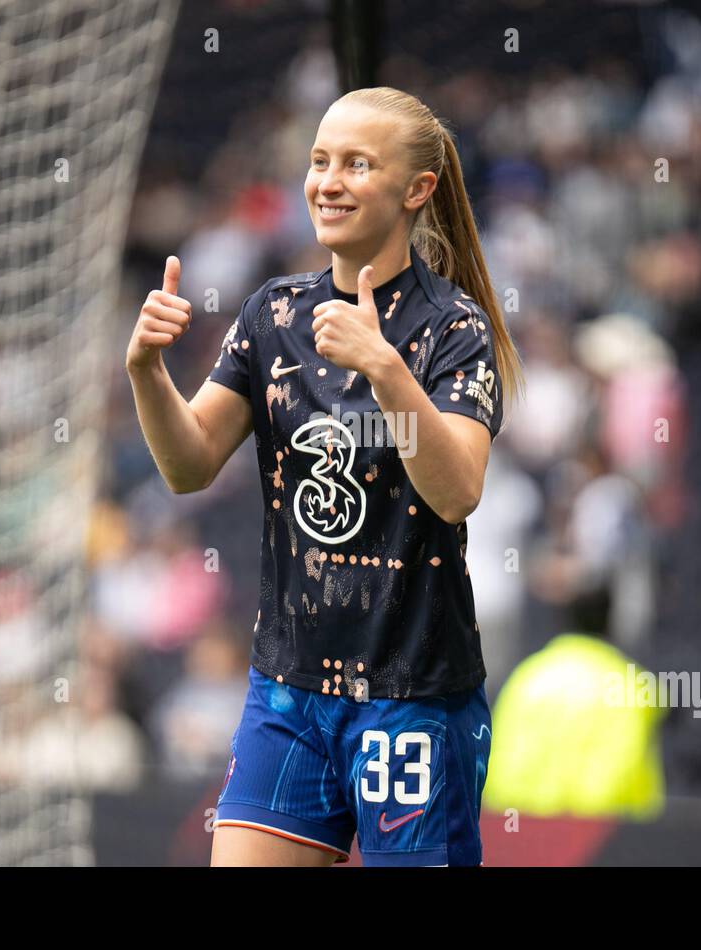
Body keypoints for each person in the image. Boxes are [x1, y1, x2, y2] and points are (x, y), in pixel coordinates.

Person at [125, 87, 523, 866]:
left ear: (417, 190)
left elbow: (457, 490)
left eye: (356, 164)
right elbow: (188, 464)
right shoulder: (272, 315)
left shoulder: (454, 329)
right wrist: (146, 372)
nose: (327, 181)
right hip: (290, 694)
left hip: (413, 703)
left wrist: (383, 368)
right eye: (318, 162)